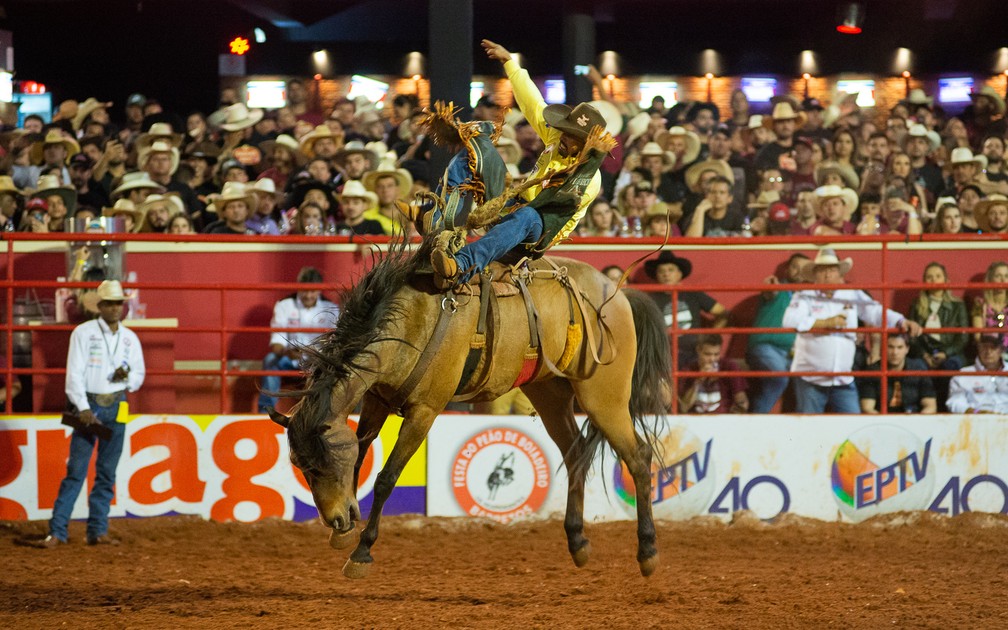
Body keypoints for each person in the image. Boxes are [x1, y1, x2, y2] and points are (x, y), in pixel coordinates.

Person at [429, 39, 610, 288]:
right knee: (476, 148)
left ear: (586, 144)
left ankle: (461, 266)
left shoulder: (589, 179)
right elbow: (532, 103)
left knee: (527, 215)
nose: (564, 137)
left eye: (572, 136)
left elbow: (550, 208)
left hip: (539, 229)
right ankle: (435, 216)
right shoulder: (556, 139)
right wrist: (509, 62)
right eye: (565, 131)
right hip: (513, 206)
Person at [36, 280, 145, 547]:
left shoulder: (129, 338)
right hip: (93, 404)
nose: (115, 308)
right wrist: (83, 407)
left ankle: (94, 530)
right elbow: (73, 374)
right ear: (100, 306)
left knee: (106, 472)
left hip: (116, 402)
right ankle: (60, 530)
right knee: (77, 469)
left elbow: (139, 375)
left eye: (118, 303)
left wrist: (127, 378)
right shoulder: (84, 333)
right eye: (110, 303)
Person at [782, 248, 922, 414]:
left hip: (842, 377)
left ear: (839, 273)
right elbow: (789, 320)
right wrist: (825, 323)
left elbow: (874, 311)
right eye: (822, 270)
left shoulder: (851, 293)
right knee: (811, 428)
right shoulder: (804, 295)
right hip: (811, 376)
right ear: (815, 274)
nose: (827, 275)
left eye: (832, 270)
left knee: (852, 425)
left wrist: (900, 320)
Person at [258, 267, 338, 412]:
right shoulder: (284, 305)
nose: (308, 295)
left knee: (336, 366)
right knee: (270, 360)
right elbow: (276, 343)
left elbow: (335, 343)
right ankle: (265, 412)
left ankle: (325, 413)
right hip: (289, 359)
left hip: (318, 361)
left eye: (312, 291)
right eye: (304, 290)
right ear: (298, 287)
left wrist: (318, 354)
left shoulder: (331, 309)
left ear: (320, 290)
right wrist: (286, 352)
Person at [643, 250, 727, 367]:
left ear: (679, 274)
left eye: (670, 270)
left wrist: (711, 334)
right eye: (661, 271)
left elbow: (723, 313)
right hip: (665, 354)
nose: (666, 274)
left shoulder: (692, 293)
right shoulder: (650, 300)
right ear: (656, 275)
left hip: (695, 352)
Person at [746, 253, 807, 413]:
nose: (799, 271)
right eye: (795, 266)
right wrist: (770, 288)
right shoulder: (778, 288)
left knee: (809, 381)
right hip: (766, 347)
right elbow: (769, 291)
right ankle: (755, 422)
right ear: (787, 269)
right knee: (779, 376)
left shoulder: (809, 296)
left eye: (804, 268)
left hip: (795, 354)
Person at [858, 334, 937, 414]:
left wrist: (917, 422)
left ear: (907, 349)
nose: (895, 352)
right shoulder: (873, 371)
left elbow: (930, 406)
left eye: (900, 347)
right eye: (890, 347)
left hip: (912, 418)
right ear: (883, 349)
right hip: (882, 419)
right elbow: (867, 408)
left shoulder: (919, 368)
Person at [679, 334, 748, 414]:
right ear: (698, 350)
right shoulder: (688, 370)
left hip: (723, 419)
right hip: (696, 420)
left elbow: (741, 400)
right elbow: (684, 407)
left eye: (716, 354)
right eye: (707, 354)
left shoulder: (729, 367)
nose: (712, 359)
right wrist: (699, 379)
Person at [947, 334, 1008, 414]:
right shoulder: (963, 375)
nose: (988, 352)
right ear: (978, 348)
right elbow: (955, 403)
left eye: (993, 347)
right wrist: (977, 412)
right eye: (984, 347)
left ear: (1001, 349)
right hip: (976, 422)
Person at [971, 260, 1008, 355]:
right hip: (989, 352)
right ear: (991, 279)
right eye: (998, 276)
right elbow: (977, 336)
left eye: (1006, 276)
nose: (1003, 280)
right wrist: (993, 351)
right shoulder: (980, 304)